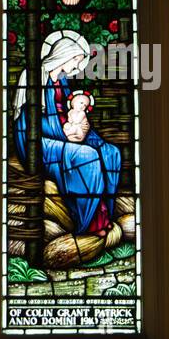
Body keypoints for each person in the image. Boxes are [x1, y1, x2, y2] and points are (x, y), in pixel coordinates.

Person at [13, 31, 119, 235]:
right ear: (64, 55)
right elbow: (28, 120)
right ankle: (88, 223)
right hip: (37, 140)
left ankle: (105, 216)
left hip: (64, 133)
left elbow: (71, 110)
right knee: (86, 156)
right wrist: (64, 132)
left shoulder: (62, 80)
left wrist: (83, 127)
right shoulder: (35, 75)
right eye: (76, 61)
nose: (77, 67)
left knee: (110, 152)